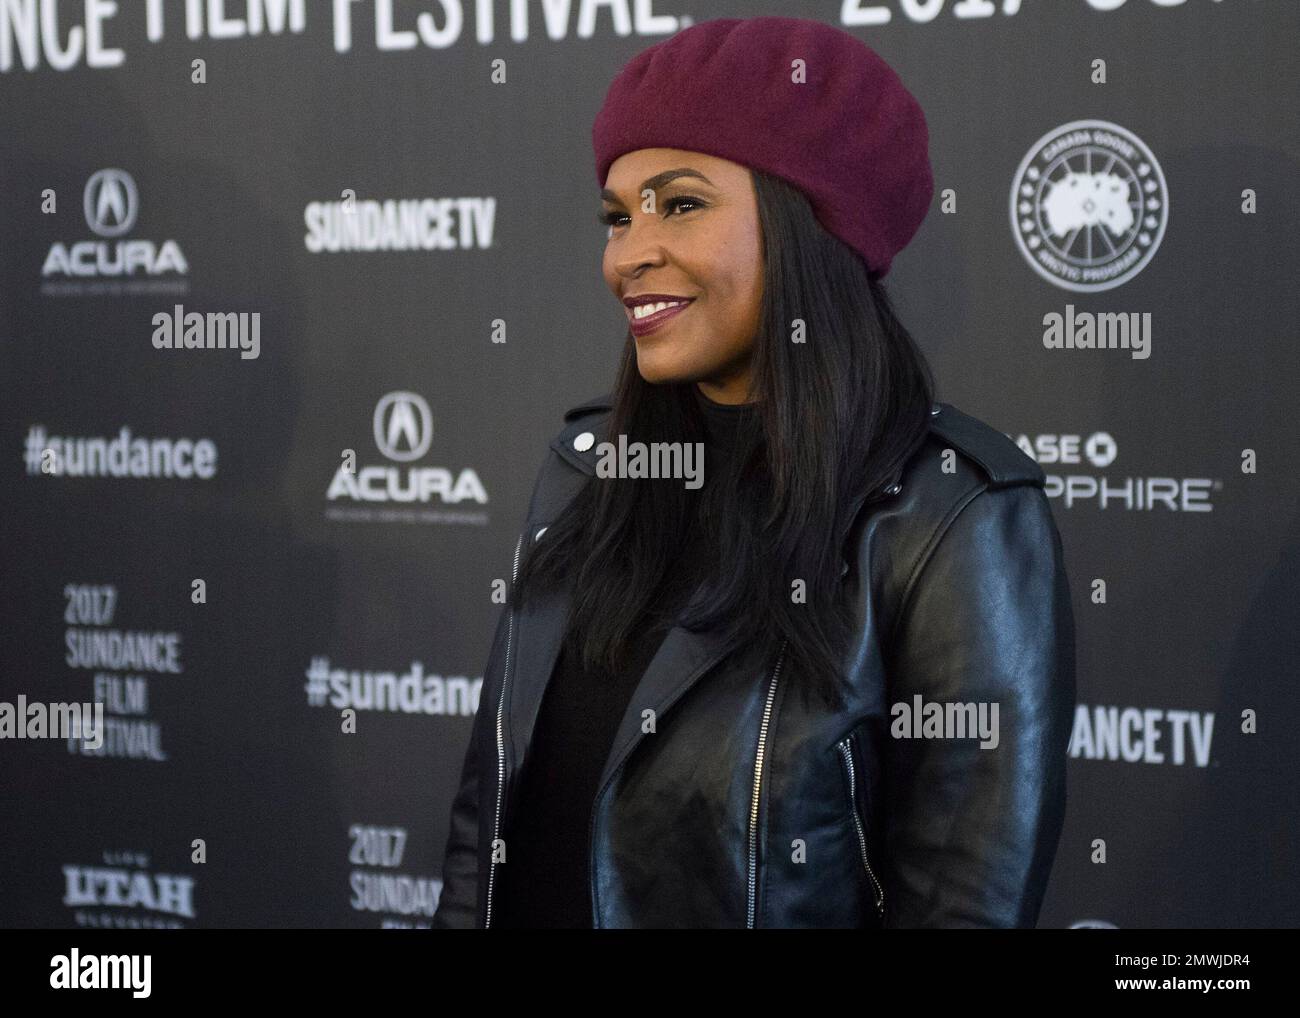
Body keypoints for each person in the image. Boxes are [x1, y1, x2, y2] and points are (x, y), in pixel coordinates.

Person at [432, 16, 1076, 929]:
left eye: (680, 203)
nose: (628, 254)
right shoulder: (584, 475)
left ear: (813, 225)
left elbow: (962, 907)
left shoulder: (951, 517)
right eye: (619, 216)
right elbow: (485, 839)